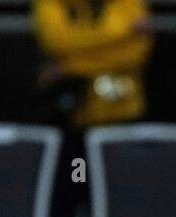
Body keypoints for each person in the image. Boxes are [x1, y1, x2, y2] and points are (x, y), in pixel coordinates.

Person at [33, 0, 154, 128]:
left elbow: (137, 52)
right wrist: (125, 31)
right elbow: (56, 41)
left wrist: (69, 66)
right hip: (68, 109)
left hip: (123, 107)